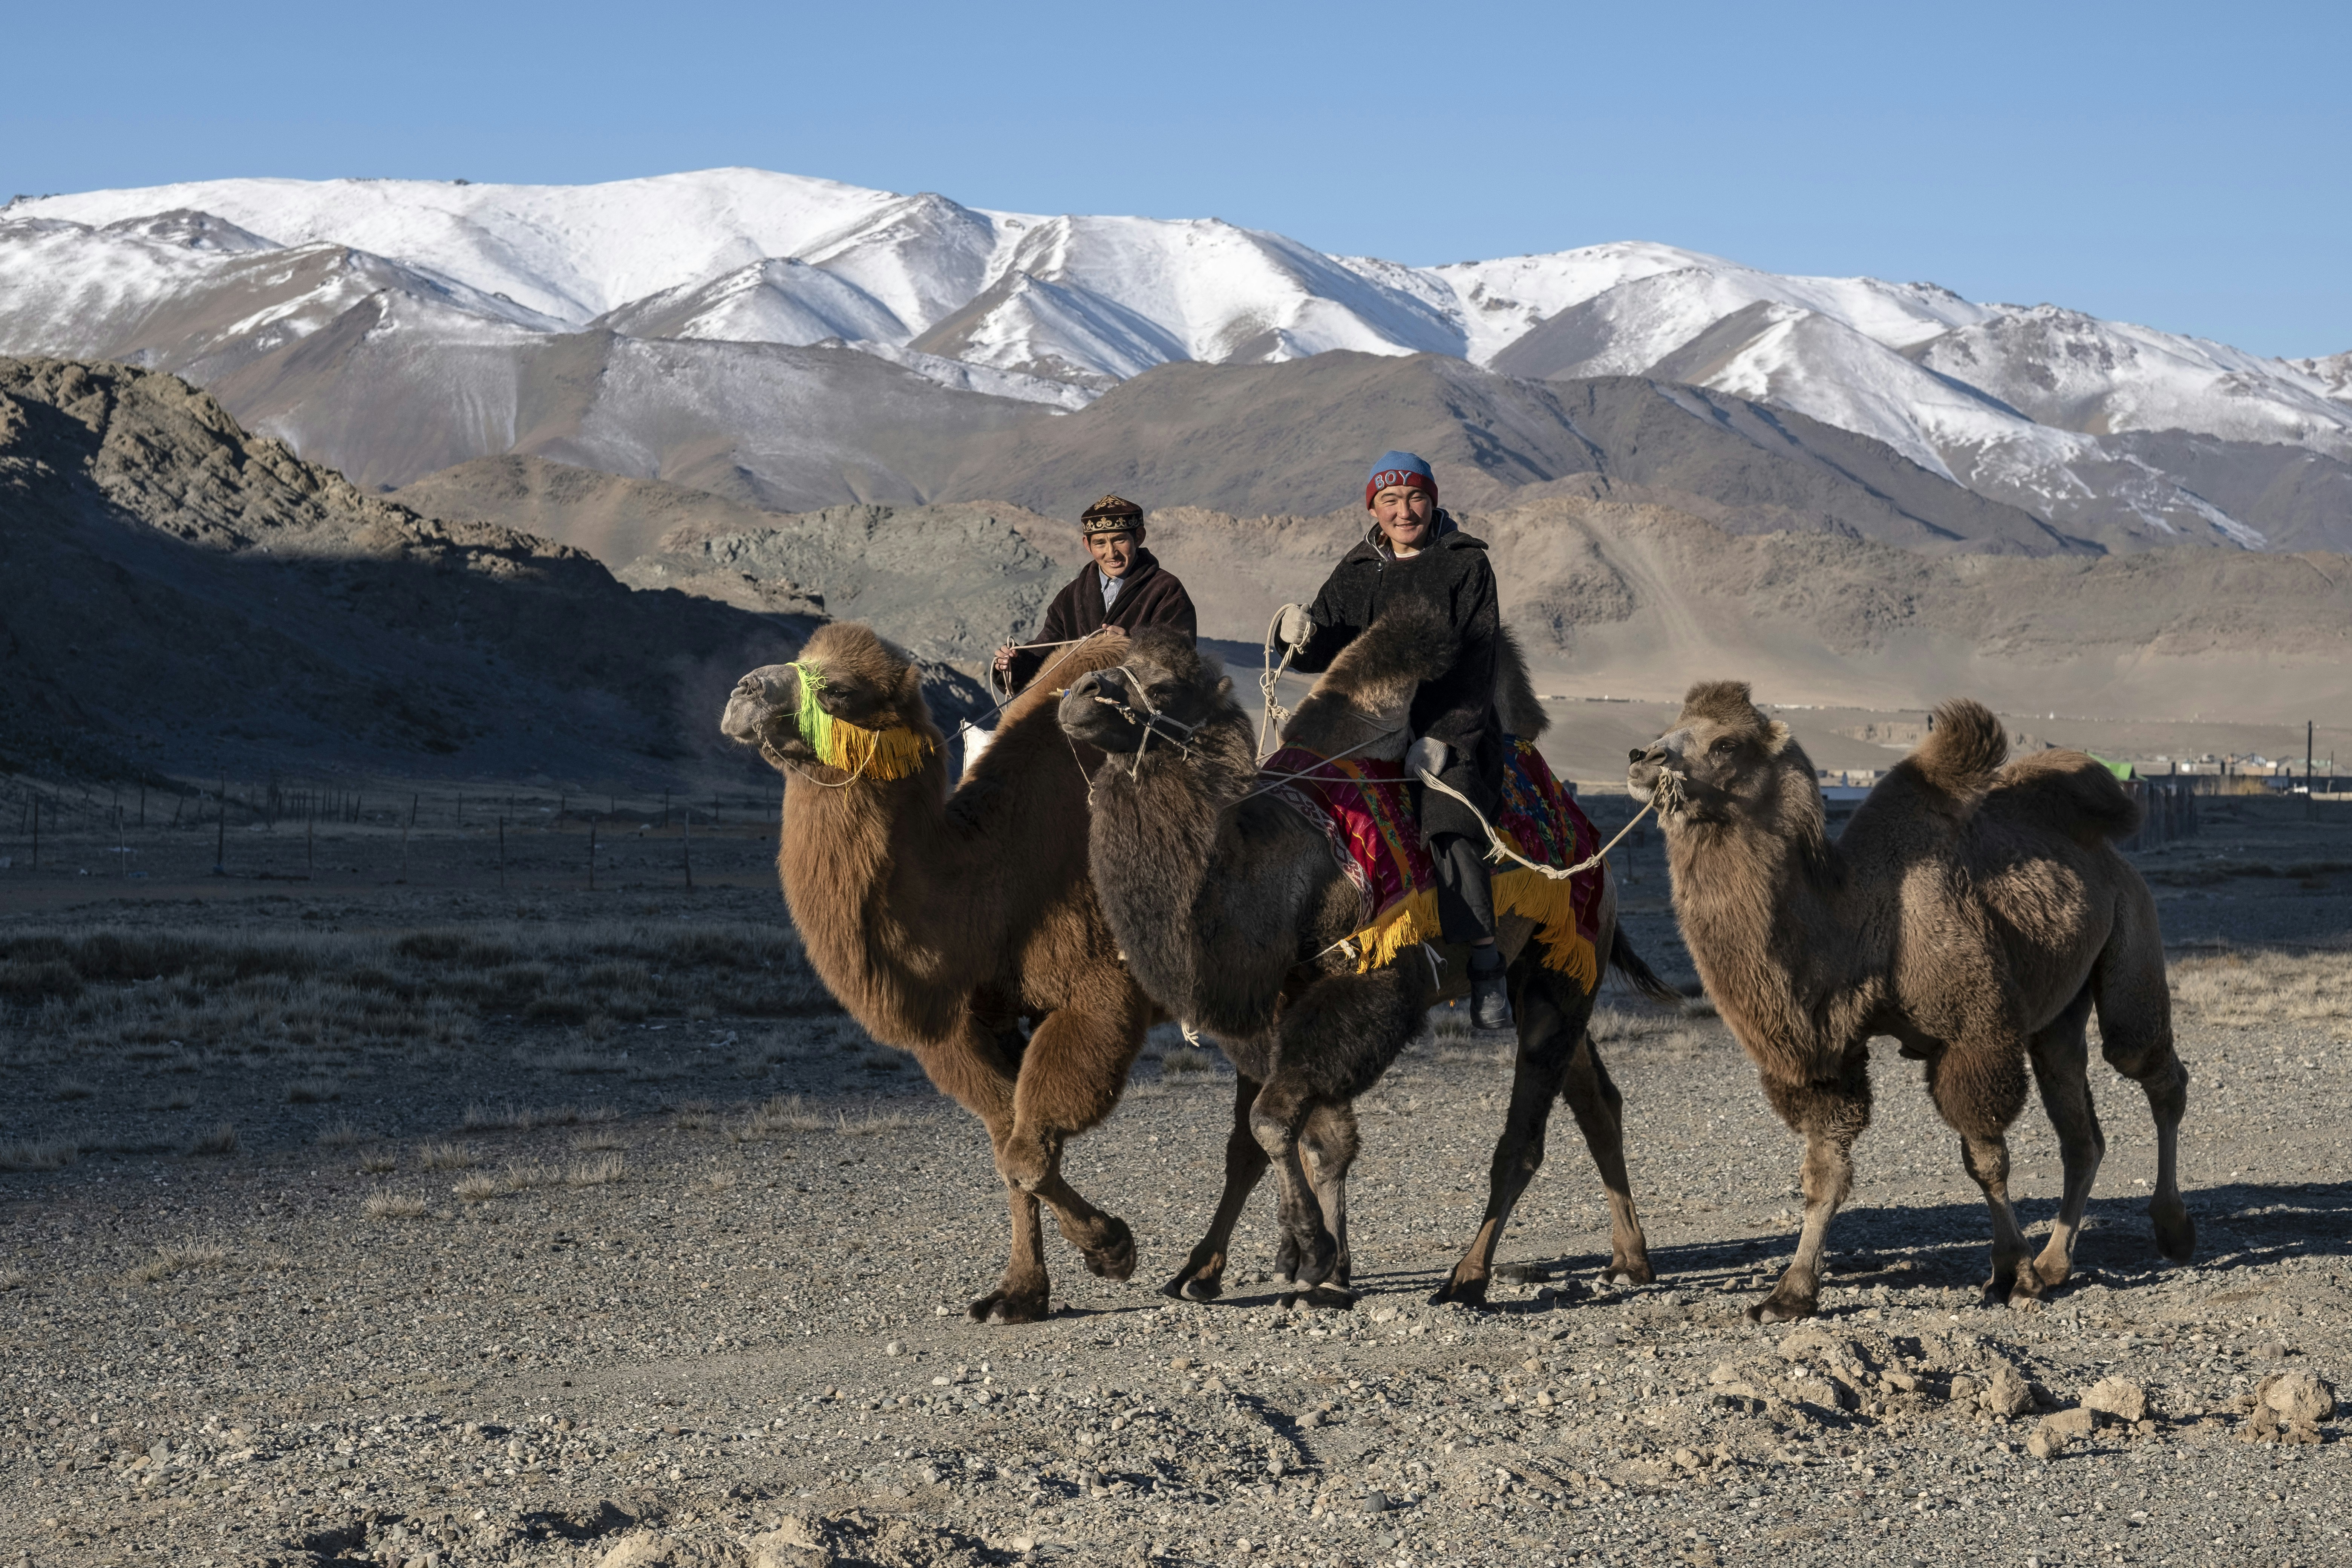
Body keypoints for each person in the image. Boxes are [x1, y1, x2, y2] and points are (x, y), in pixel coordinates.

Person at [1275, 452, 1512, 1029]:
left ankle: (1486, 965)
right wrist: (1298, 635)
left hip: (1446, 723)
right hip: (1361, 724)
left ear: (1432, 501)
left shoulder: (1465, 566)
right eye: (1390, 501)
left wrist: (1443, 739)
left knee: (1447, 820)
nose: (1404, 511)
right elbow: (1324, 646)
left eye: (1414, 498)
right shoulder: (1358, 568)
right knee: (1285, 794)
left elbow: (1479, 665)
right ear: (1373, 508)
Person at [994, 494, 1198, 693]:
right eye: (1100, 543)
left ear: (1138, 537)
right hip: (1076, 710)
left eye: (1119, 540)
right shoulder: (1071, 596)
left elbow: (1182, 659)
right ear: (1088, 545)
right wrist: (1013, 664)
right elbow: (1045, 655)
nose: (1111, 553)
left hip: (1138, 712)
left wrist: (1131, 644)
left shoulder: (1166, 590)